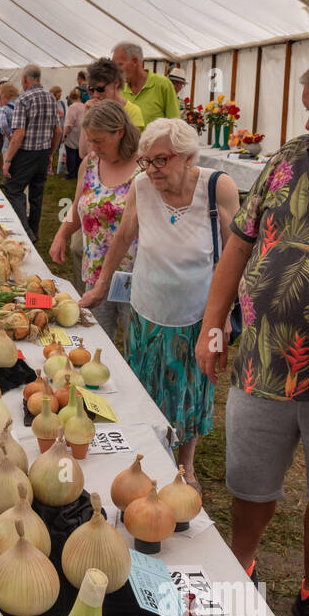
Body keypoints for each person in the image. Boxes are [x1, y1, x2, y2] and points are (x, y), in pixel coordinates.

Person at [196, 43, 309, 616]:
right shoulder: (291, 159)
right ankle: (243, 566)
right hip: (264, 362)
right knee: (250, 478)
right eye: (308, 109)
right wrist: (213, 322)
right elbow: (240, 243)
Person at [81, 118, 238, 487]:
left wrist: (227, 312)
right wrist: (102, 285)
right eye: (145, 161)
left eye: (161, 160)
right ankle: (148, 455)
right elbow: (122, 237)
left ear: (186, 157)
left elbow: (238, 251)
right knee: (146, 387)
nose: (151, 170)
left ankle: (186, 465)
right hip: (147, 310)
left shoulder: (218, 187)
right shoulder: (142, 185)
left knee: (193, 389)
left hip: (199, 316)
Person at [49, 101, 140, 348]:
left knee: (138, 347)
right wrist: (61, 234)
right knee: (97, 345)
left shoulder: (144, 167)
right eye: (90, 140)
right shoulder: (90, 164)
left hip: (135, 276)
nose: (94, 147)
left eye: (99, 141)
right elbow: (78, 207)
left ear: (119, 132)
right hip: (95, 271)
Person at [2, 64, 62, 242]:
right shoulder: (51, 97)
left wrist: (8, 160)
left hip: (26, 153)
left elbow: (19, 133)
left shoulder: (23, 99)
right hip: (43, 153)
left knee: (13, 190)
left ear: (25, 80)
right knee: (37, 194)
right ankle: (34, 231)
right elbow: (57, 131)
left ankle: (25, 231)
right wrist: (51, 153)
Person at [112, 41, 181, 124]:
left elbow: (176, 124)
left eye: (119, 65)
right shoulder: (118, 89)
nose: (116, 70)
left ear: (135, 61)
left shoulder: (163, 85)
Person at [85, 58, 145, 131]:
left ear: (116, 83)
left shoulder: (133, 112)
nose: (95, 95)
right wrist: (86, 114)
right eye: (92, 89)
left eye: (100, 89)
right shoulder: (94, 110)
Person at [62, 89, 85, 178]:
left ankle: (71, 174)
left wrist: (64, 135)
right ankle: (78, 172)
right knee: (79, 154)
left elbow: (69, 124)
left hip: (72, 133)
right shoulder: (84, 106)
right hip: (81, 132)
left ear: (71, 97)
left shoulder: (72, 107)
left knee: (71, 154)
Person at [0, 83, 19, 157]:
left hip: (9, 145)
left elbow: (3, 125)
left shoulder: (3, 109)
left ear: (4, 96)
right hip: (22, 145)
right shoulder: (21, 107)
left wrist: (9, 136)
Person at [49, 87, 67, 173]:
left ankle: (58, 166)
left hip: (61, 128)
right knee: (51, 150)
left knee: (58, 149)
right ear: (55, 93)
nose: (60, 94)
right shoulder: (50, 103)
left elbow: (64, 115)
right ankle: (50, 168)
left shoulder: (62, 103)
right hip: (53, 129)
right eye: (59, 93)